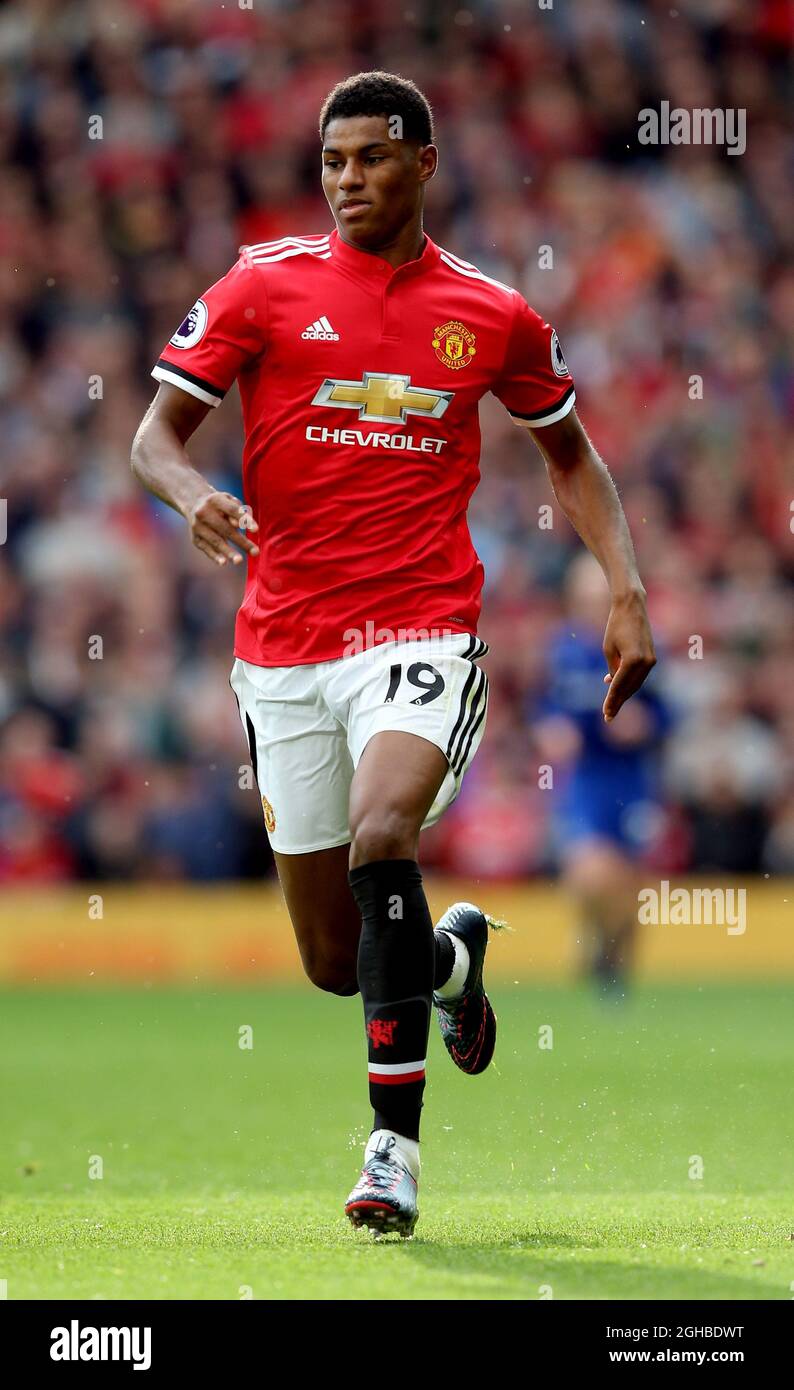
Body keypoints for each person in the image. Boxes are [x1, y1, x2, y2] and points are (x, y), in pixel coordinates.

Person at [130, 70, 656, 1237]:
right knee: (333, 960)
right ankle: (453, 967)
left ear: (423, 162)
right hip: (282, 646)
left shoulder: (492, 313)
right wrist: (189, 495)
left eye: (370, 157)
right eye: (331, 162)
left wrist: (622, 586)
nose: (348, 179)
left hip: (419, 629)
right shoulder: (262, 286)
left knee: (383, 837)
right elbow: (155, 435)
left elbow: (569, 455)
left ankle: (391, 1156)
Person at [534, 554, 672, 998]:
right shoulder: (563, 650)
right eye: (583, 600)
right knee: (589, 872)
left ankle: (615, 971)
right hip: (587, 780)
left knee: (629, 882)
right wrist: (550, 731)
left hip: (631, 780)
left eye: (600, 599)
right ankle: (602, 953)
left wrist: (646, 725)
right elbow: (545, 707)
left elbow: (668, 713)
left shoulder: (642, 645)